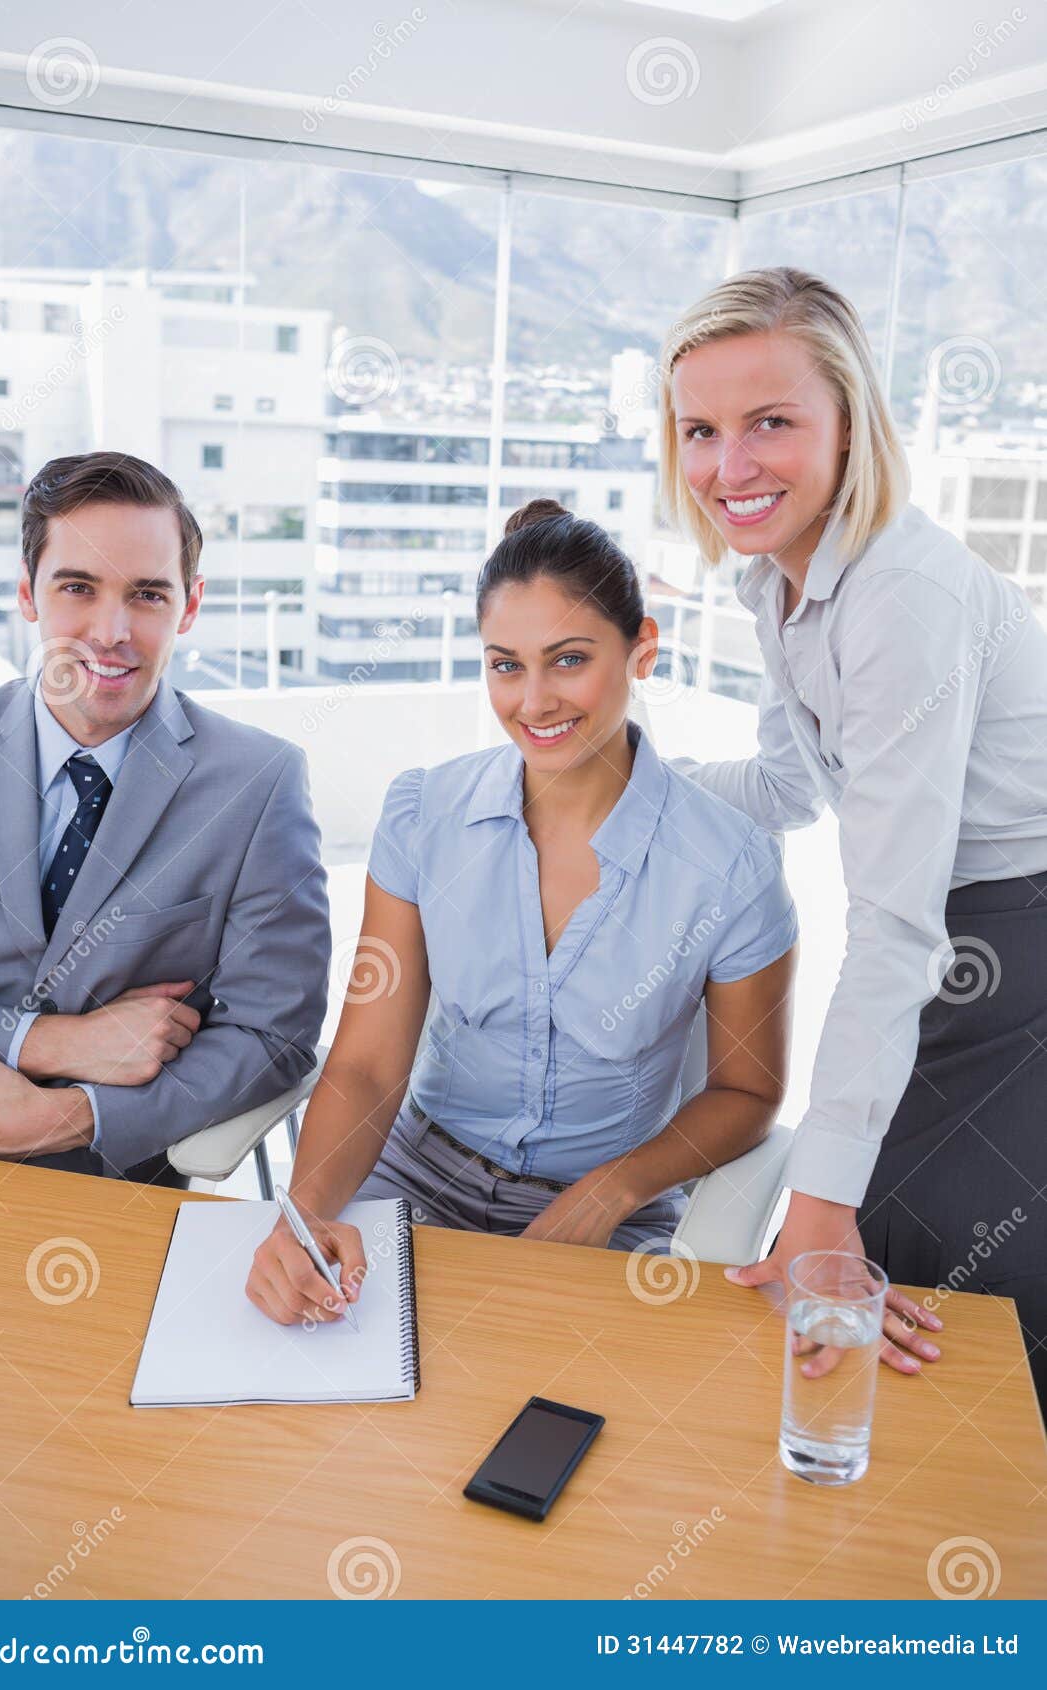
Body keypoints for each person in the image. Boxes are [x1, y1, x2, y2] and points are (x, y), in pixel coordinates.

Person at [252, 499, 825, 1332]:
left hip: (608, 1214)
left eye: (567, 660)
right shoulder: (424, 817)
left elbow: (745, 1088)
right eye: (504, 665)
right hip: (414, 1179)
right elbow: (370, 1066)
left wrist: (612, 1191)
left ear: (641, 652)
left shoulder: (730, 865)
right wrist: (300, 1220)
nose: (533, 700)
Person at [658, 265, 1047, 1405]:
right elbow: (786, 783)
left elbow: (889, 921)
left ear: (848, 423)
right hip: (961, 934)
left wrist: (819, 1203)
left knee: (943, 1275)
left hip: (1015, 929)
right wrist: (620, 778)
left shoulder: (898, 597)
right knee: (882, 1258)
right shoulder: (774, 583)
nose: (730, 467)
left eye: (769, 422)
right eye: (700, 430)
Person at [0, 451, 330, 1184]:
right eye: (78, 587)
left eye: (146, 595)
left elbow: (275, 1035)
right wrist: (46, 1044)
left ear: (190, 606)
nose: (111, 631)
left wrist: (65, 1116)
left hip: (118, 1185)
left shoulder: (258, 783)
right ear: (27, 592)